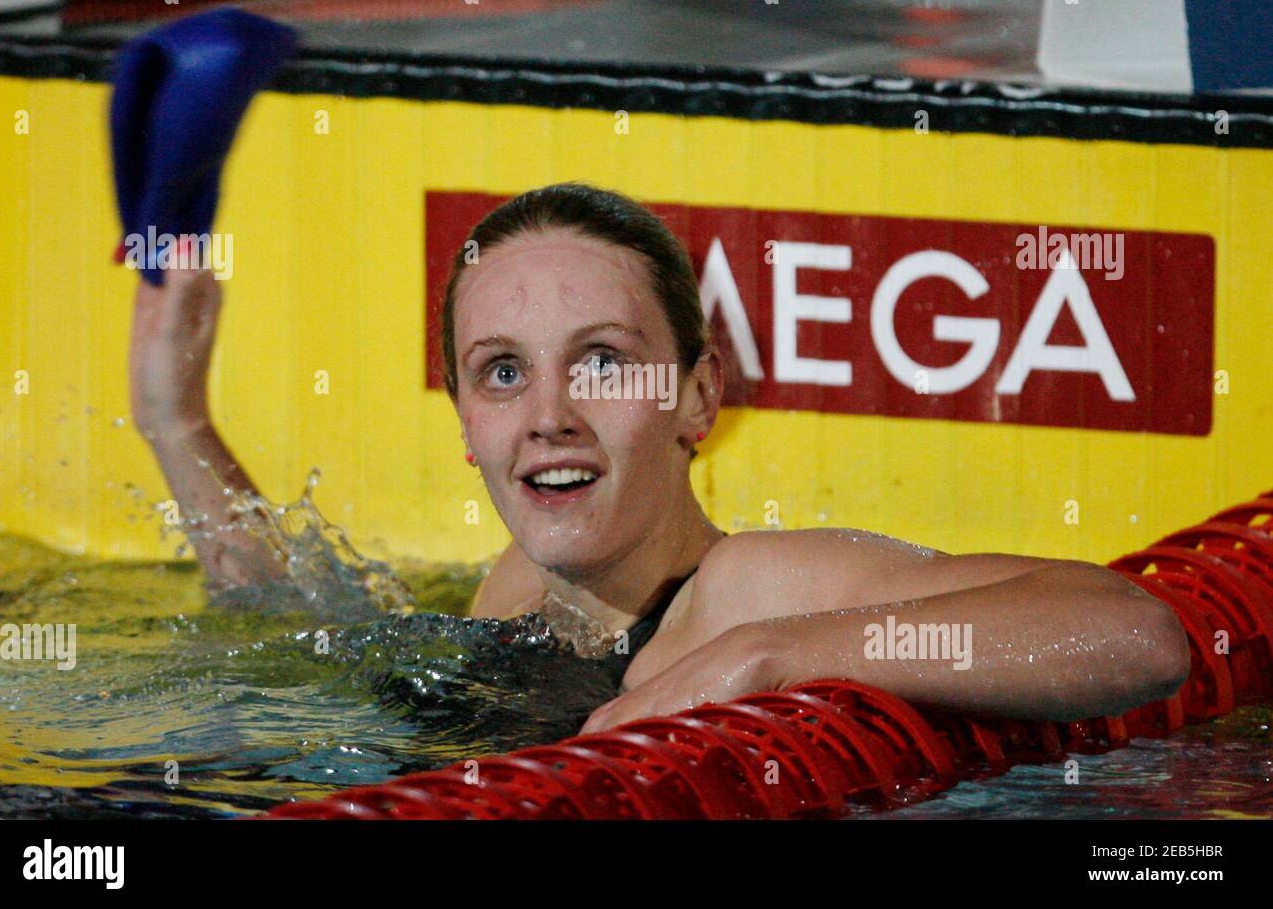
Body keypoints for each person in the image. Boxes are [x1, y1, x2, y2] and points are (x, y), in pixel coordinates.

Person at [129, 181, 1190, 736]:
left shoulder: (741, 592)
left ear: (697, 395)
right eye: (502, 373)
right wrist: (175, 418)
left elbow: (1132, 633)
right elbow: (290, 618)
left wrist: (762, 658)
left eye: (600, 362)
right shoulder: (521, 594)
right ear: (463, 427)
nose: (548, 415)